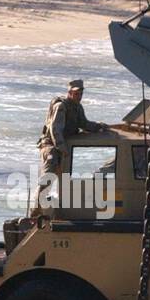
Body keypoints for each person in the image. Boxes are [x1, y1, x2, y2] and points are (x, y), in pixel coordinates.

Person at [36, 79, 108, 208]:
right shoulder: (61, 106)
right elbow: (55, 129)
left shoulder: (77, 107)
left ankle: (59, 204)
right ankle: (37, 208)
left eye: (80, 94)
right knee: (48, 175)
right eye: (76, 94)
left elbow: (84, 124)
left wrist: (98, 126)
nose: (78, 96)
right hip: (51, 145)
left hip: (63, 144)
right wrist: (62, 148)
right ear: (69, 93)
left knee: (64, 177)